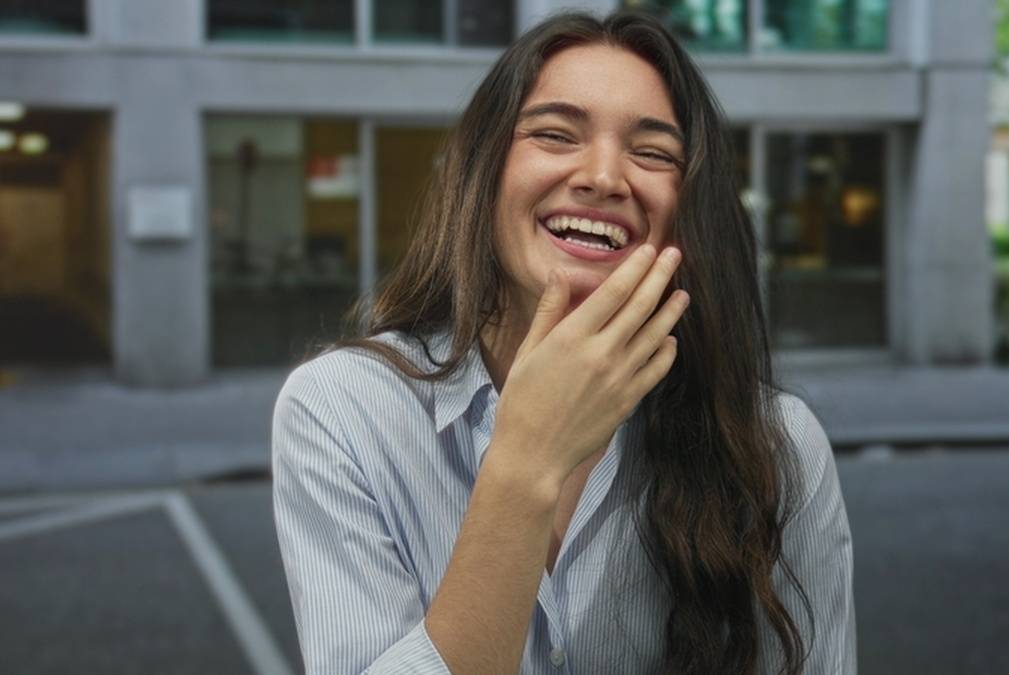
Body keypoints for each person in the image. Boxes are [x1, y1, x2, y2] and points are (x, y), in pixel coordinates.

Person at [272, 9, 855, 674]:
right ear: (483, 173)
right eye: (555, 134)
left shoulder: (777, 444)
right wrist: (526, 463)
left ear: (689, 211)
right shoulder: (342, 409)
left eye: (653, 152)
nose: (603, 177)